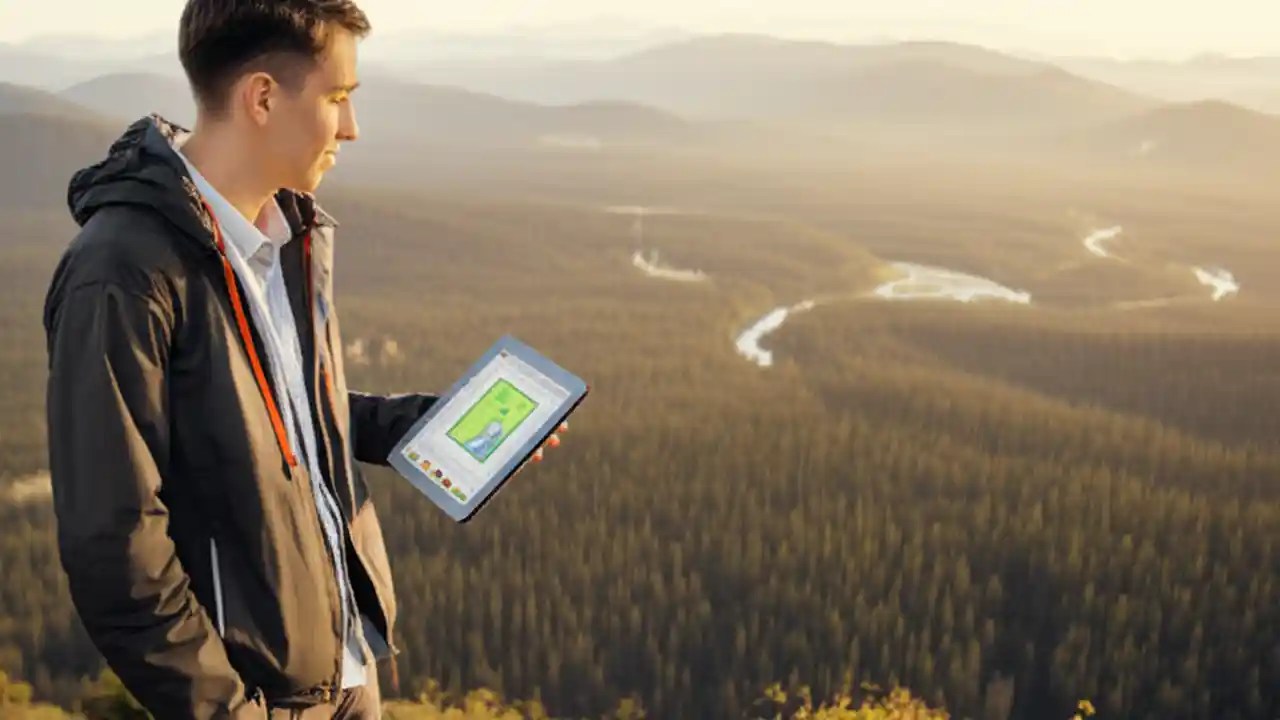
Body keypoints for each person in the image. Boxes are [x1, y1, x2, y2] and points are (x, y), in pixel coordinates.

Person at [42, 1, 564, 717]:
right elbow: (116, 546)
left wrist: (426, 424)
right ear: (262, 97)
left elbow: (275, 411)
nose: (352, 127)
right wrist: (229, 710)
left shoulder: (284, 236)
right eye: (338, 98)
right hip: (263, 703)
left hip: (350, 675)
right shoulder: (122, 272)